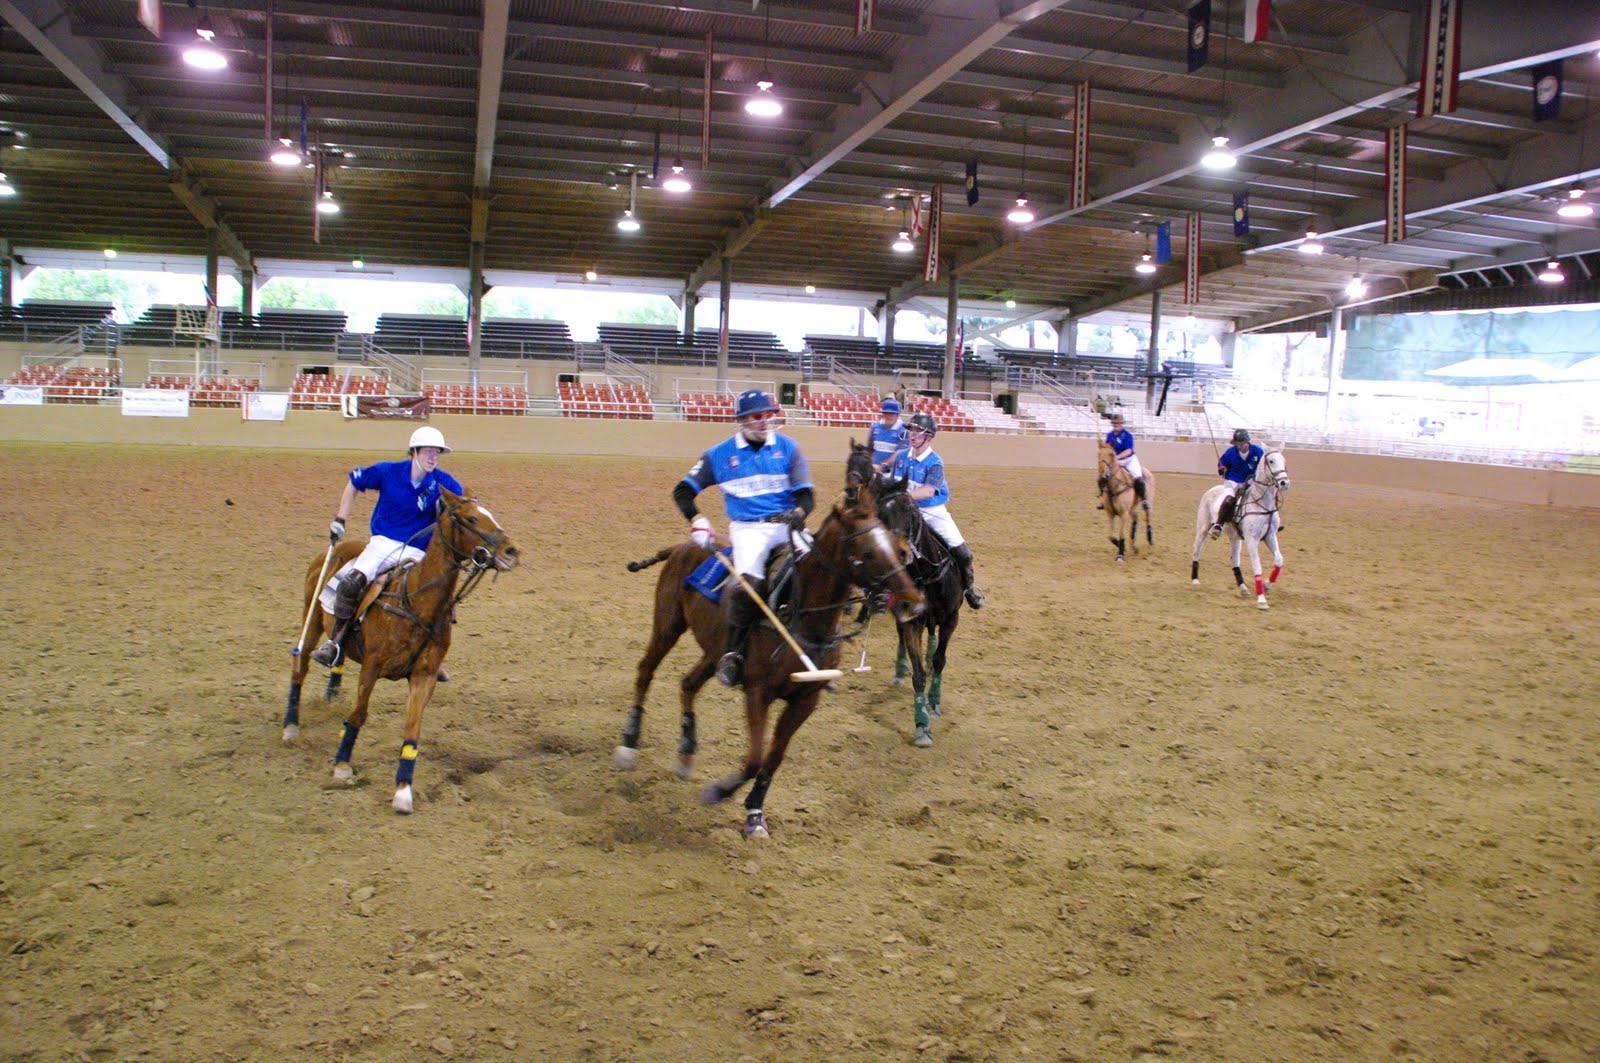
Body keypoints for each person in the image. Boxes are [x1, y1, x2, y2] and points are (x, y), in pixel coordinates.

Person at [675, 389, 814, 687]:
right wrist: (698, 521)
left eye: (768, 416)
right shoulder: (719, 455)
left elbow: (806, 496)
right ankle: (733, 654)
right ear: (741, 420)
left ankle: (818, 648)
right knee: (748, 585)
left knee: (818, 569)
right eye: (756, 416)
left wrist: (800, 514)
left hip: (786, 523)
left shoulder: (789, 448)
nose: (764, 422)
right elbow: (683, 491)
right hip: (748, 527)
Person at [311, 426, 464, 666]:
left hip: (418, 552)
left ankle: (431, 654)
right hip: (382, 545)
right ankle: (336, 643)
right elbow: (354, 482)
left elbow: (461, 507)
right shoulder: (388, 471)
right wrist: (340, 519)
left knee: (438, 595)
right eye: (428, 451)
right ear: (414, 451)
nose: (433, 457)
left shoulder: (444, 482)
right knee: (351, 583)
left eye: (437, 452)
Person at [890, 413, 986, 609]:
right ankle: (879, 591)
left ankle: (969, 590)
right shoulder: (901, 458)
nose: (913, 434)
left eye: (918, 431)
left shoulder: (935, 463)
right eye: (912, 430)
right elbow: (893, 484)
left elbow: (928, 491)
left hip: (931, 511)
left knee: (963, 553)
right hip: (905, 513)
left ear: (929, 437)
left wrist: (903, 497)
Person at [1210, 428, 1264, 539]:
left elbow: (1263, 466)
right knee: (1229, 498)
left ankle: (1272, 524)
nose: (1239, 446)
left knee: (1264, 496)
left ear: (1247, 442)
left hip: (1250, 481)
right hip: (1233, 481)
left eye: (1241, 443)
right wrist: (1221, 469)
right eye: (1237, 443)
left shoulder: (1258, 452)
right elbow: (1222, 464)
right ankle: (1218, 525)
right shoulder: (1230, 452)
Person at [1098, 410, 1148, 508]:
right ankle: (1103, 499)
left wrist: (1116, 457)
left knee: (1137, 477)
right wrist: (1102, 444)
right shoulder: (1110, 435)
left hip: (1129, 460)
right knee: (1103, 477)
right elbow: (1107, 447)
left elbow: (1128, 451)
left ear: (1122, 423)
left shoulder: (1128, 435)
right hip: (1116, 461)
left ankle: (1144, 500)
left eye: (1118, 423)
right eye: (1114, 423)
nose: (1116, 425)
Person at [868, 397, 909, 473]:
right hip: (874, 469)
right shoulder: (875, 427)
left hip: (894, 472)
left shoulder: (904, 431)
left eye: (892, 414)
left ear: (897, 415)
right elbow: (870, 449)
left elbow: (900, 453)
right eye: (886, 413)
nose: (889, 416)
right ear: (883, 414)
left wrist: (882, 466)